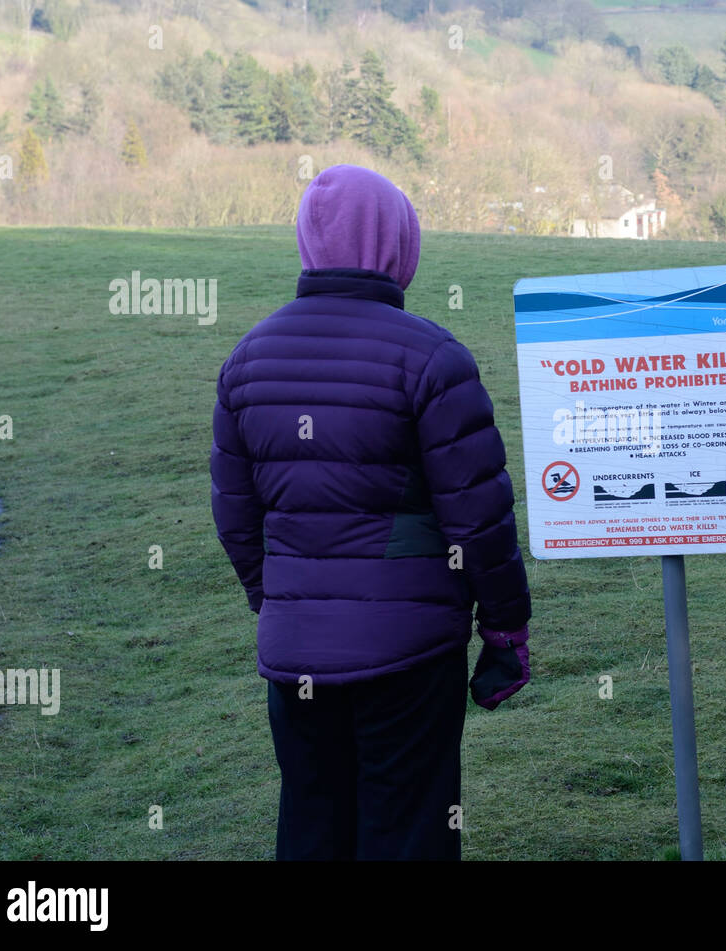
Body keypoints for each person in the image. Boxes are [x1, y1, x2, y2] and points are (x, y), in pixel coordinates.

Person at [210, 164, 531, 861]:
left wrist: (282, 600)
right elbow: (478, 516)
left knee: (312, 820)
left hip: (294, 650)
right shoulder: (432, 357)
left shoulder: (245, 361)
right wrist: (505, 627)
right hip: (410, 651)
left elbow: (236, 518)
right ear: (399, 245)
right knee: (410, 825)